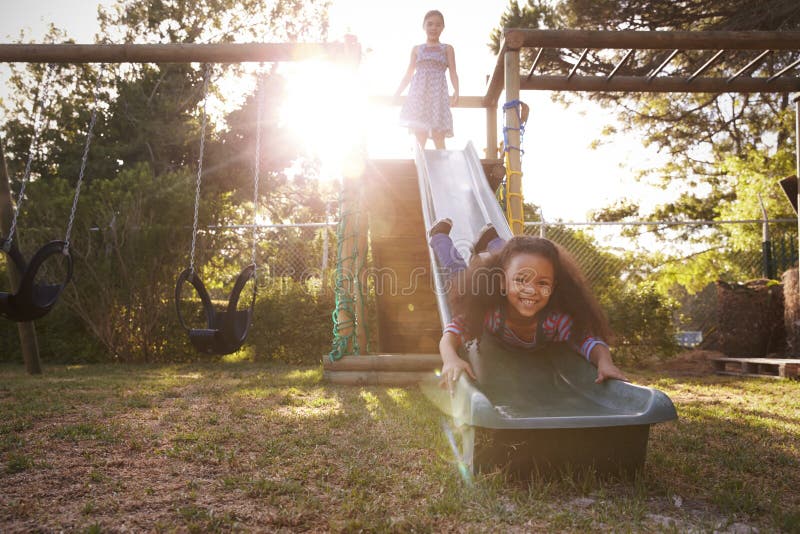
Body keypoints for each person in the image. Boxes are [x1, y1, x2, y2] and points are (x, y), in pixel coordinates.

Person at [427, 218, 627, 393]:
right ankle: (439, 236)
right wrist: (451, 359)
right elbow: (450, 336)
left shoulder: (554, 322)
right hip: (485, 287)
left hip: (510, 271)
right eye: (522, 281)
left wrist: (604, 362)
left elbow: (589, 341)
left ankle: (491, 240)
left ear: (553, 287)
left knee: (520, 261)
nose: (531, 291)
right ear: (502, 283)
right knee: (460, 273)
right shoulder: (490, 313)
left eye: (542, 283)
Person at [394, 9, 459, 150]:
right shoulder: (417, 49)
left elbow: (453, 72)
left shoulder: (447, 49)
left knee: (438, 134)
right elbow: (408, 74)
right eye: (430, 24)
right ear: (424, 26)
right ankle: (419, 168)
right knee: (420, 135)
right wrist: (397, 92)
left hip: (437, 96)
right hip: (419, 94)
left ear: (442, 27)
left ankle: (443, 167)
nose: (433, 28)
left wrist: (456, 91)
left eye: (437, 25)